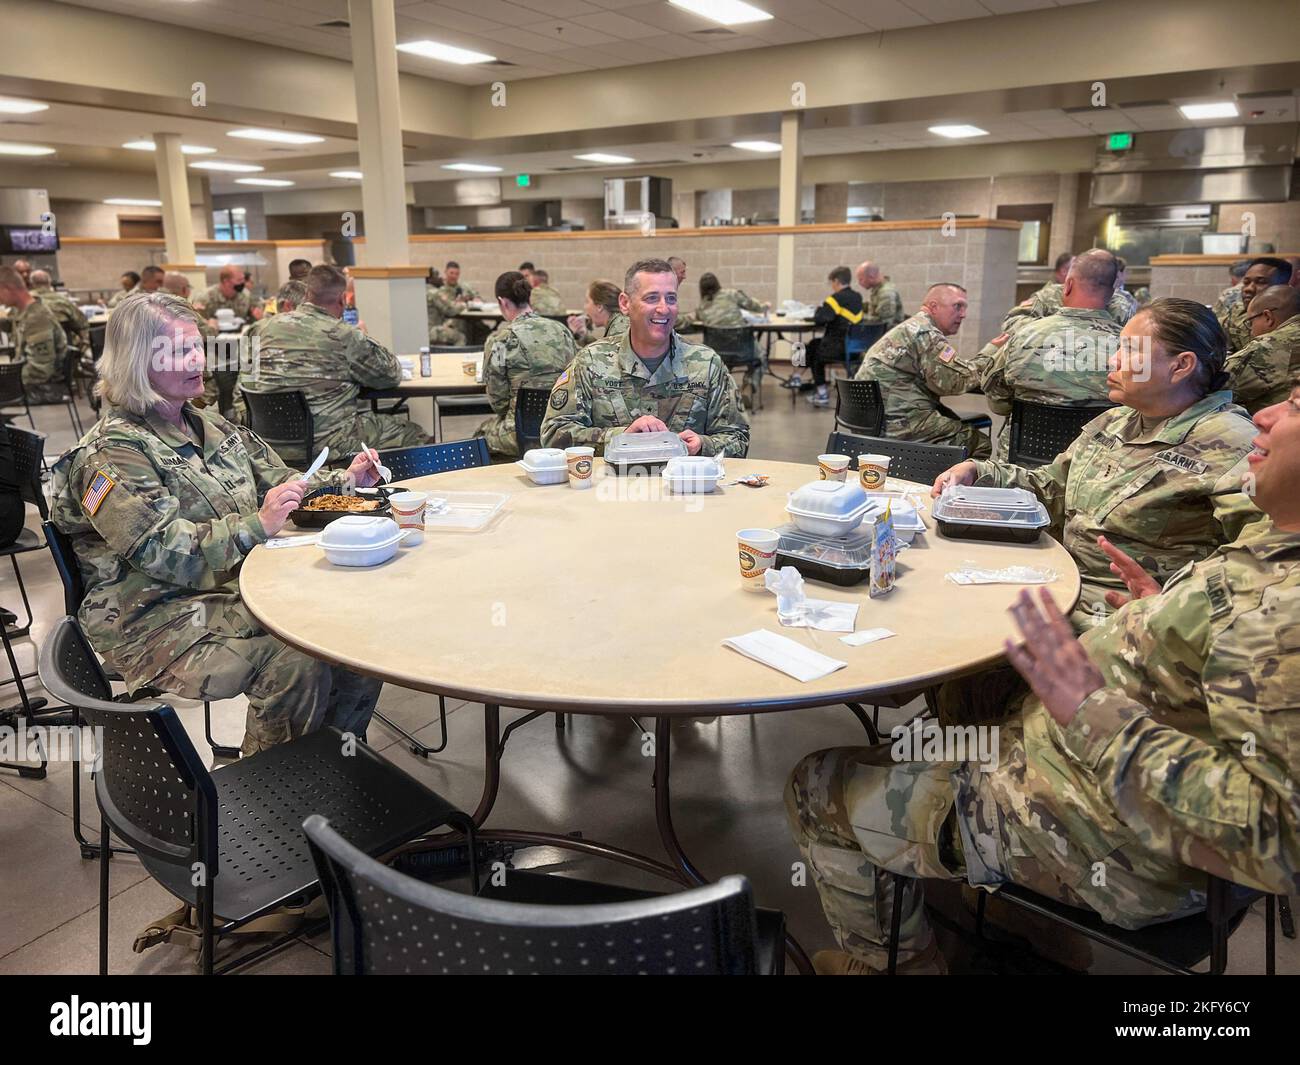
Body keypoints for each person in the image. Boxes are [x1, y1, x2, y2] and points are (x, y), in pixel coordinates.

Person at [788, 370, 1300, 976]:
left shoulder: (1284, 615)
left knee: (816, 783)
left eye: (1293, 406)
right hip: (1096, 755)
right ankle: (1031, 930)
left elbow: (1277, 840)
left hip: (1118, 840)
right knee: (966, 685)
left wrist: (1090, 707)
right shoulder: (1272, 549)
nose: (1263, 416)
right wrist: (1154, 612)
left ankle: (894, 967)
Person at [50, 291, 387, 755]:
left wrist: (345, 480)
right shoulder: (112, 453)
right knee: (297, 662)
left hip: (234, 588)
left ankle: (338, 766)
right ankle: (274, 797)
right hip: (153, 616)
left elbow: (283, 481)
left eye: (197, 346)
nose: (199, 359)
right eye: (180, 350)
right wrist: (256, 525)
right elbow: (160, 550)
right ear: (135, 362)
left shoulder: (208, 424)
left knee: (352, 636)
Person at [938, 296, 1261, 630]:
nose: (1113, 360)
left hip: (1125, 618)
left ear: (1181, 366)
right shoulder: (1118, 421)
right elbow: (1053, 488)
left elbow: (1265, 556)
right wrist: (981, 471)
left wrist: (1175, 605)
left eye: (1130, 350)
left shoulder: (1231, 443)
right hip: (1061, 583)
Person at [541, 257, 749, 458]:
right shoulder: (591, 362)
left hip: (684, 490)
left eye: (671, 298)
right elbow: (553, 434)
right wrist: (620, 439)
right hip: (613, 490)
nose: (664, 308)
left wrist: (703, 445)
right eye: (651, 298)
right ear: (624, 304)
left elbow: (738, 437)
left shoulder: (706, 364)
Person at [240, 265, 426, 462]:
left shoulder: (260, 328)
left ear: (307, 294)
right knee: (412, 432)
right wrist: (364, 337)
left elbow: (244, 377)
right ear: (342, 299)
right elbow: (390, 375)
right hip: (326, 443)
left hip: (266, 442)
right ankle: (387, 491)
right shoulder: (345, 336)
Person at [977, 248, 1123, 458]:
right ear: (1112, 293)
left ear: (1068, 284)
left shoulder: (1025, 335)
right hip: (1095, 467)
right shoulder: (1133, 347)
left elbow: (998, 402)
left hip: (1023, 465)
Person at [852, 282, 987, 457]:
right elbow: (953, 383)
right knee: (979, 443)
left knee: (952, 420)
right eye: (957, 306)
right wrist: (990, 354)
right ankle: (945, 483)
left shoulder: (912, 326)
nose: (963, 314)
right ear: (933, 306)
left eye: (964, 308)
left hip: (870, 423)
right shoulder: (926, 333)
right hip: (897, 426)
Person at [478, 271, 577, 459]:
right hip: (561, 429)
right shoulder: (561, 331)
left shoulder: (500, 341)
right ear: (529, 296)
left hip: (518, 432)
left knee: (480, 436)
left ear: (502, 302)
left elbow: (498, 402)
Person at [1227, 284, 1300, 415]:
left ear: (1268, 317)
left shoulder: (1271, 345)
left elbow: (1209, 385)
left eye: (1250, 323)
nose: (1251, 331)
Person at [0, 264, 68, 404]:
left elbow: (40, 370)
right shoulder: (24, 312)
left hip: (44, 389)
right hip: (30, 384)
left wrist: (8, 381)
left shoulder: (37, 318)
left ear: (6, 289)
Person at [807, 266, 869, 408]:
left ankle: (820, 392)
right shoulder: (857, 297)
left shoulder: (834, 299)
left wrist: (819, 310)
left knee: (811, 350)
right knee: (814, 344)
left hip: (837, 348)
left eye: (831, 283)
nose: (832, 286)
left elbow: (820, 319)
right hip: (855, 348)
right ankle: (800, 379)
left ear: (836, 281)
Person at [1217, 257, 1292, 354]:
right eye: (1246, 282)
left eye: (1261, 282)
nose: (1249, 288)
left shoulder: (1292, 318)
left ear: (1284, 287)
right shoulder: (1235, 312)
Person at [29, 269, 89, 350]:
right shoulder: (63, 301)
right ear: (49, 283)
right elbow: (82, 323)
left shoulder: (24, 301)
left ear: (31, 284)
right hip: (63, 350)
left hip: (32, 351)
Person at [687, 272, 767, 329]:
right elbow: (755, 307)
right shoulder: (732, 294)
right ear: (717, 284)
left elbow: (692, 318)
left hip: (715, 349)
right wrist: (766, 306)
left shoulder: (702, 307)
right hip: (742, 347)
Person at [192, 264, 261, 328]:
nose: (243, 283)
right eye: (239, 280)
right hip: (212, 339)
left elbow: (255, 318)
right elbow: (194, 324)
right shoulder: (204, 297)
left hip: (239, 337)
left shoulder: (246, 295)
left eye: (243, 279)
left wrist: (257, 316)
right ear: (226, 281)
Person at [567, 280, 629, 347]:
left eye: (587, 301)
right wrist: (583, 336)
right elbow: (604, 350)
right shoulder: (620, 323)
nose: (585, 307)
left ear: (599, 307)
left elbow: (603, 354)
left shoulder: (619, 329)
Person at [855, 260, 905, 343]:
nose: (859, 283)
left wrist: (861, 319)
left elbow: (884, 323)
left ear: (871, 277)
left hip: (889, 340)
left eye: (861, 279)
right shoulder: (878, 290)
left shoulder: (886, 292)